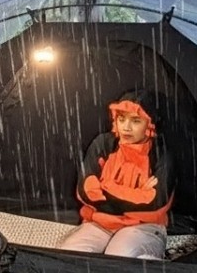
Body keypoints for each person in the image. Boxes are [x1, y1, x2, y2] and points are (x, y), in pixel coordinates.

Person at [59, 89, 173, 259]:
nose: (126, 127)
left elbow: (154, 202)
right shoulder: (103, 144)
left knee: (120, 258)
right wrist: (136, 194)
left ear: (149, 124)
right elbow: (87, 191)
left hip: (143, 226)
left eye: (135, 121)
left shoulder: (160, 153)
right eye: (121, 119)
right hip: (99, 224)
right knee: (69, 256)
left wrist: (105, 186)